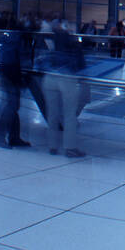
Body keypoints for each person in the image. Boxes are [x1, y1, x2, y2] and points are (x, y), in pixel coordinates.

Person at [41, 20, 88, 158]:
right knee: (69, 114)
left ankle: (52, 146)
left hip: (49, 77)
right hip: (67, 78)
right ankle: (70, 147)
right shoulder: (73, 43)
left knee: (52, 113)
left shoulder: (51, 41)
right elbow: (81, 64)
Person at [0, 16, 31, 148]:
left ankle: (14, 137)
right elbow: (23, 58)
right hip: (12, 73)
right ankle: (0, 136)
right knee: (11, 105)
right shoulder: (20, 38)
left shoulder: (6, 36)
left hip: (4, 71)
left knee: (12, 105)